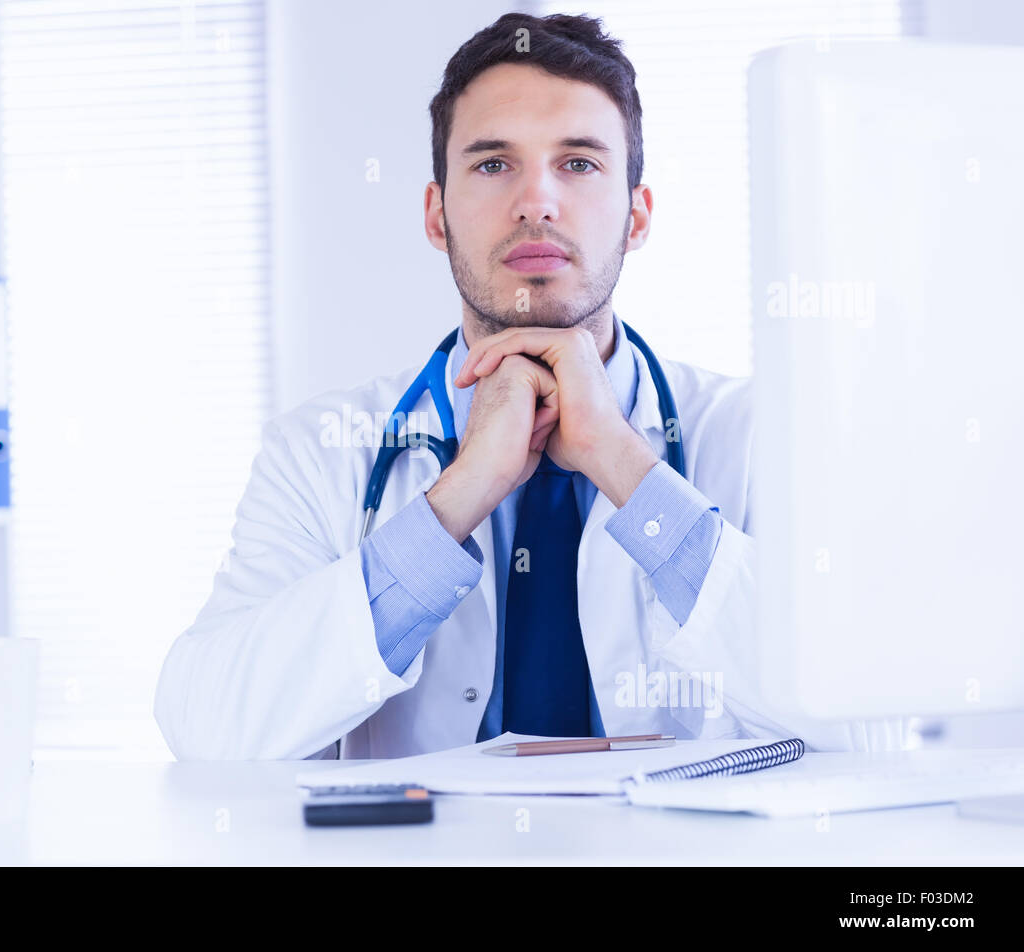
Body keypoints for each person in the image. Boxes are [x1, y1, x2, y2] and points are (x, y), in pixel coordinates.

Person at [155, 12, 912, 760]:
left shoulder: (762, 433)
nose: (537, 201)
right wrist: (456, 500)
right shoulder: (319, 451)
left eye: (578, 163)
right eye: (493, 164)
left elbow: (875, 724)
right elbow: (209, 733)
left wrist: (629, 469)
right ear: (436, 215)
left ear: (637, 216)